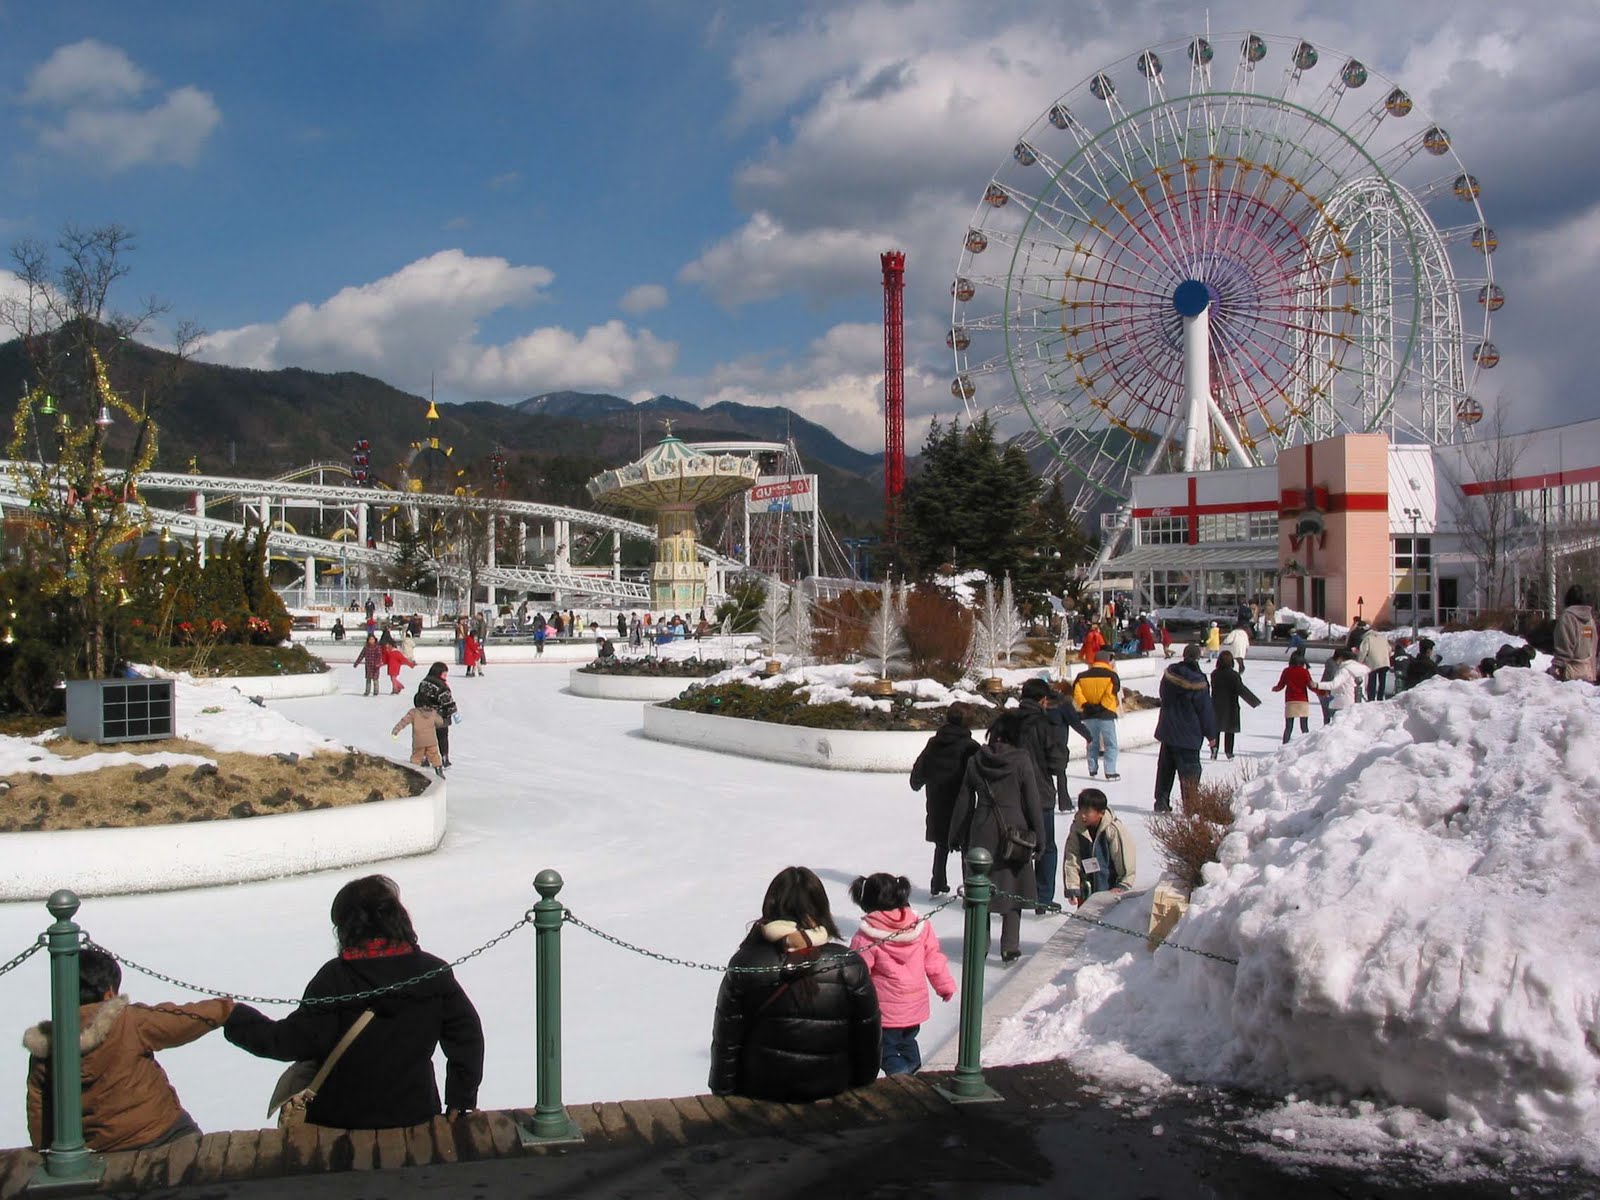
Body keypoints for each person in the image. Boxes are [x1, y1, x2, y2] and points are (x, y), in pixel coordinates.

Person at [225, 876, 483, 1129]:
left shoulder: (334, 978)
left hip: (338, 1124)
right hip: (413, 1115)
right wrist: (461, 1098)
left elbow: (290, 1042)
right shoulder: (432, 972)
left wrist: (232, 1016)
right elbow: (467, 1035)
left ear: (347, 928)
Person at [24, 947, 231, 1152]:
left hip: (99, 1149)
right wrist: (227, 1010)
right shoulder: (128, 1021)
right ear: (109, 993)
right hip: (163, 1133)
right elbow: (184, 1020)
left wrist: (50, 1154)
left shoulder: (45, 1044)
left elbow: (39, 1112)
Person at [708, 867, 881, 1102]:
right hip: (832, 1091)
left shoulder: (747, 961)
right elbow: (868, 1041)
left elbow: (727, 1040)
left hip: (760, 1092)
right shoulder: (849, 964)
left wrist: (723, 1094)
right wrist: (857, 1086)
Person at [949, 711, 1045, 962]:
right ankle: (1009, 945)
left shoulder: (976, 759)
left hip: (981, 829)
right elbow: (1033, 801)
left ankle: (980, 943)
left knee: (981, 886)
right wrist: (1040, 835)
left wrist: (955, 833)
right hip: (1014, 829)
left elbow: (963, 800)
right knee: (1014, 883)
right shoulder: (1022, 760)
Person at [847, 873, 954, 1077]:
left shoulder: (866, 937)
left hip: (885, 1012)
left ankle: (902, 1079)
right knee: (907, 1042)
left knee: (885, 1051)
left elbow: (857, 974)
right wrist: (945, 985)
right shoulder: (921, 927)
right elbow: (934, 959)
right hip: (914, 1006)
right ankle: (914, 1074)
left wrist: (850, 1004)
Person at [909, 703, 980, 896]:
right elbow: (979, 773)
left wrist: (917, 781)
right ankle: (969, 886)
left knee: (941, 845)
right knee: (966, 845)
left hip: (937, 800)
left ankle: (937, 881)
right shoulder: (970, 747)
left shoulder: (935, 742)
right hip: (961, 803)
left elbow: (921, 765)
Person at [1017, 678, 1070, 912]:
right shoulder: (1046, 724)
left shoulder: (1008, 722)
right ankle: (1043, 897)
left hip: (1012, 793)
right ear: (1043, 700)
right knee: (1046, 845)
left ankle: (1018, 892)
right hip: (1041, 793)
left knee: (1016, 843)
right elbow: (1057, 762)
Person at [1152, 643, 1217, 813]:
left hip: (1168, 730)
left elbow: (1162, 694)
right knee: (1189, 772)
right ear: (1198, 657)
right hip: (1189, 734)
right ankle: (1191, 807)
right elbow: (1205, 710)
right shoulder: (1199, 681)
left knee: (1165, 769)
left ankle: (1161, 802)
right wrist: (1211, 735)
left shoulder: (1170, 674)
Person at [1060, 789, 1136, 906]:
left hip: (1111, 890)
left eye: (1088, 812)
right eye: (1081, 811)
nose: (1083, 816)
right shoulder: (1077, 829)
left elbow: (1124, 859)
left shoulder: (1113, 830)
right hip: (1087, 889)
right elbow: (1072, 858)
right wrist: (1073, 887)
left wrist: (1123, 885)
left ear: (1101, 812)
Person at [1072, 652, 1121, 780]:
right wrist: (1101, 707)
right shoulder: (1112, 675)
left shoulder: (1081, 676)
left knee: (1092, 742)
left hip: (1088, 714)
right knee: (1110, 743)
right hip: (1106, 714)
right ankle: (1110, 771)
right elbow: (1111, 694)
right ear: (1107, 660)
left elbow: (1077, 693)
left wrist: (1086, 705)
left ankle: (1092, 769)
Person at [1209, 650, 1260, 760]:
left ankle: (1214, 749)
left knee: (1216, 729)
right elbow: (1240, 689)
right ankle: (1229, 752)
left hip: (1216, 705)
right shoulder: (1234, 675)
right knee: (1229, 730)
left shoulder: (1214, 674)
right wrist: (1254, 701)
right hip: (1230, 705)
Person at [1552, 585, 1598, 682]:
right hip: (1588, 672)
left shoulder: (1567, 618)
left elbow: (1564, 645)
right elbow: (1592, 644)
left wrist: (1557, 667)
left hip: (1570, 674)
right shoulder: (1589, 620)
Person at [415, 664, 457, 768]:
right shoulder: (441, 685)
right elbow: (447, 701)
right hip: (439, 715)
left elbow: (418, 697)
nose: (446, 675)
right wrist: (453, 711)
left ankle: (424, 758)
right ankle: (444, 758)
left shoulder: (424, 682)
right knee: (442, 737)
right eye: (444, 673)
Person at [1272, 649, 1316, 743]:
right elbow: (1310, 685)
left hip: (1290, 701)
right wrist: (1322, 692)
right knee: (1304, 727)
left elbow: (1281, 685)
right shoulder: (1304, 672)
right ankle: (1307, 744)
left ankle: (1284, 745)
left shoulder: (1286, 671)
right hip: (1302, 701)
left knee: (1288, 727)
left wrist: (1275, 688)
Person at [392, 704, 446, 778]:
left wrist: (396, 729)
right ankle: (439, 771)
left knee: (416, 757)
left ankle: (413, 773)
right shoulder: (433, 713)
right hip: (431, 740)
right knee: (434, 756)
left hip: (419, 741)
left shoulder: (414, 712)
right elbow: (440, 722)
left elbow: (404, 721)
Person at [1318, 648, 1371, 719]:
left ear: (1341, 658)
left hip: (1340, 701)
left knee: (1334, 722)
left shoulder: (1344, 670)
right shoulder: (1362, 669)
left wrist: (1317, 685)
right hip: (1356, 701)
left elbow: (1334, 684)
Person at [1359, 623, 1393, 700]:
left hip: (1373, 662)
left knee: (1372, 681)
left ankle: (1371, 697)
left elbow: (1363, 651)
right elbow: (1389, 649)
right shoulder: (1383, 637)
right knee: (1382, 681)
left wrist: (1359, 662)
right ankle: (1380, 697)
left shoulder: (1367, 638)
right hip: (1384, 662)